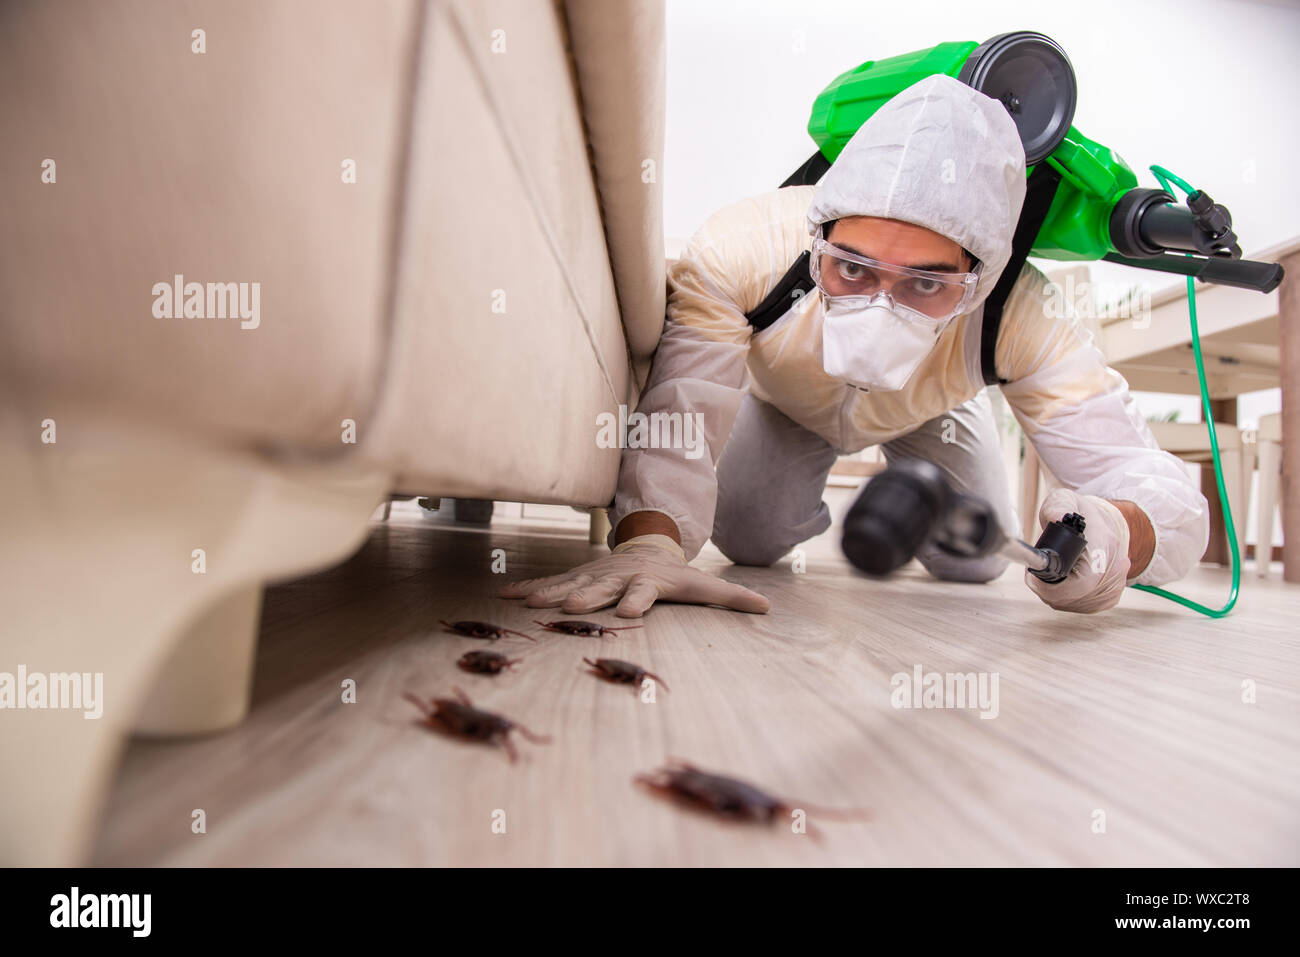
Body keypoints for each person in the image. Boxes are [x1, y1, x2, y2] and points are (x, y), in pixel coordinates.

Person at [500, 74, 1208, 618]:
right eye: (853, 269)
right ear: (820, 241)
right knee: (749, 536)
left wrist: (1120, 531)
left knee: (975, 560)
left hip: (932, 411)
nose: (879, 307)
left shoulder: (1022, 314)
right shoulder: (744, 246)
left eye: (926, 283)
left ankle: (919, 468)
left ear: (979, 277)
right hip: (785, 403)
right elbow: (683, 403)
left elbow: (1149, 482)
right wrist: (650, 540)